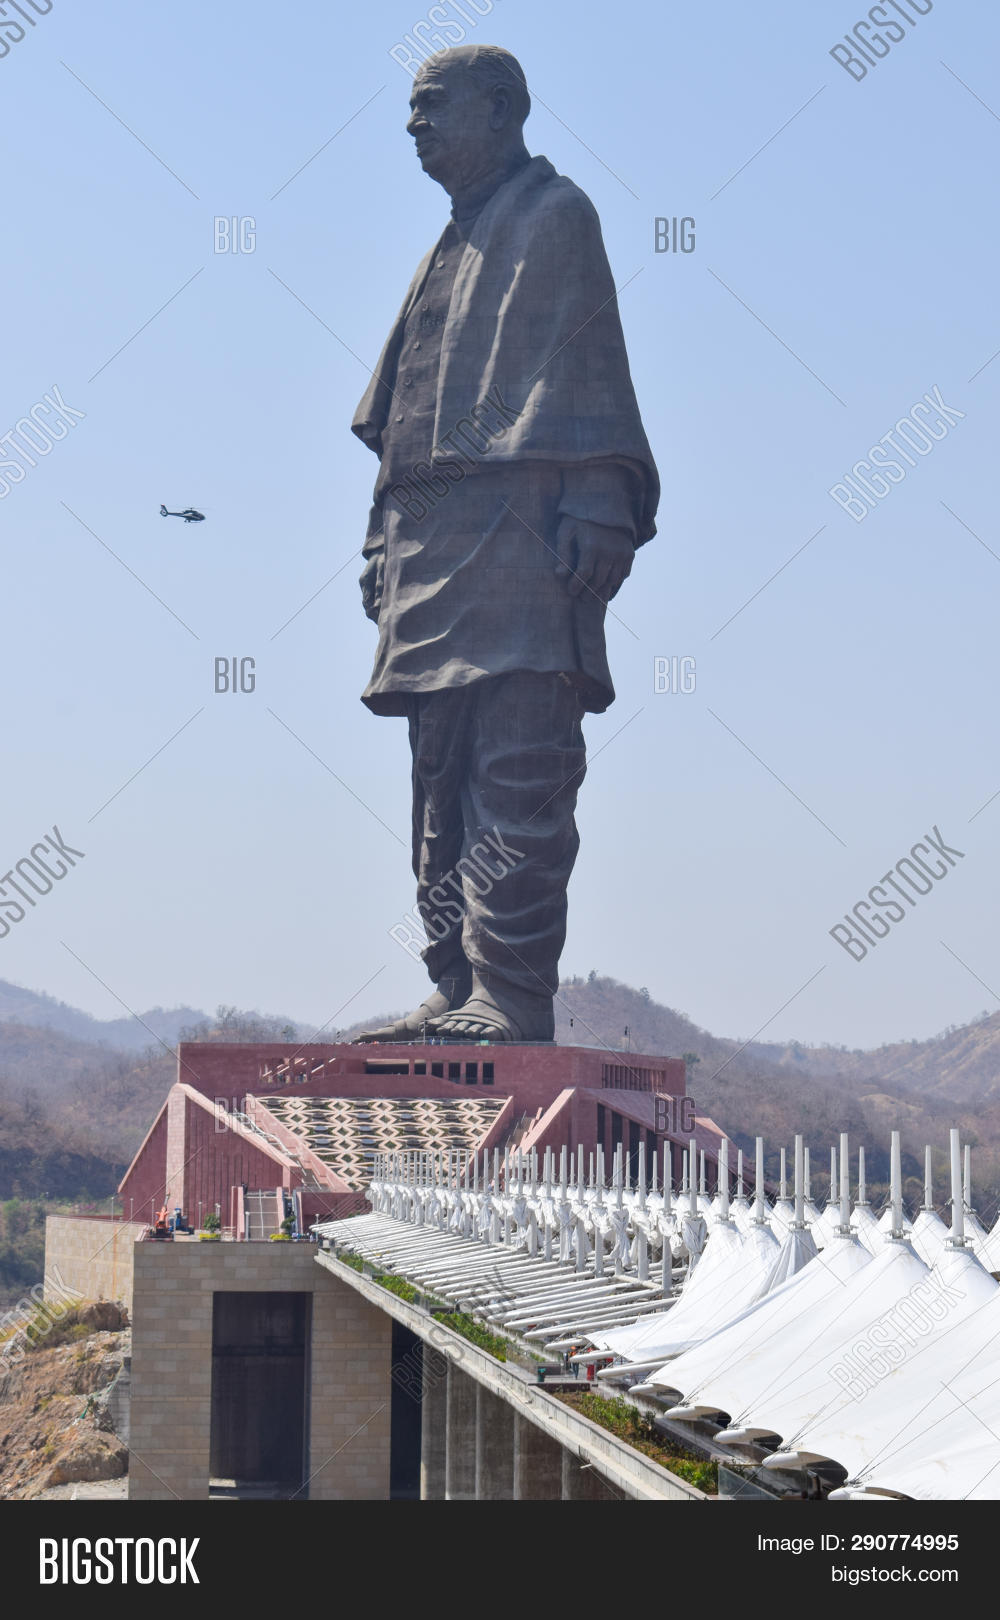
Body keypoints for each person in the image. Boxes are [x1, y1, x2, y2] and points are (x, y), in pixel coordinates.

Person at [353, 45, 658, 1043]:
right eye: (410, 110)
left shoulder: (552, 217)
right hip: (430, 555)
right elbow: (400, 417)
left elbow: (592, 374)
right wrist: (377, 544)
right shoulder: (447, 245)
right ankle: (454, 982)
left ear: (500, 108)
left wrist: (601, 504)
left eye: (431, 106)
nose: (414, 126)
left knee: (520, 773)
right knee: (437, 783)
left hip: (523, 543)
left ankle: (513, 995)